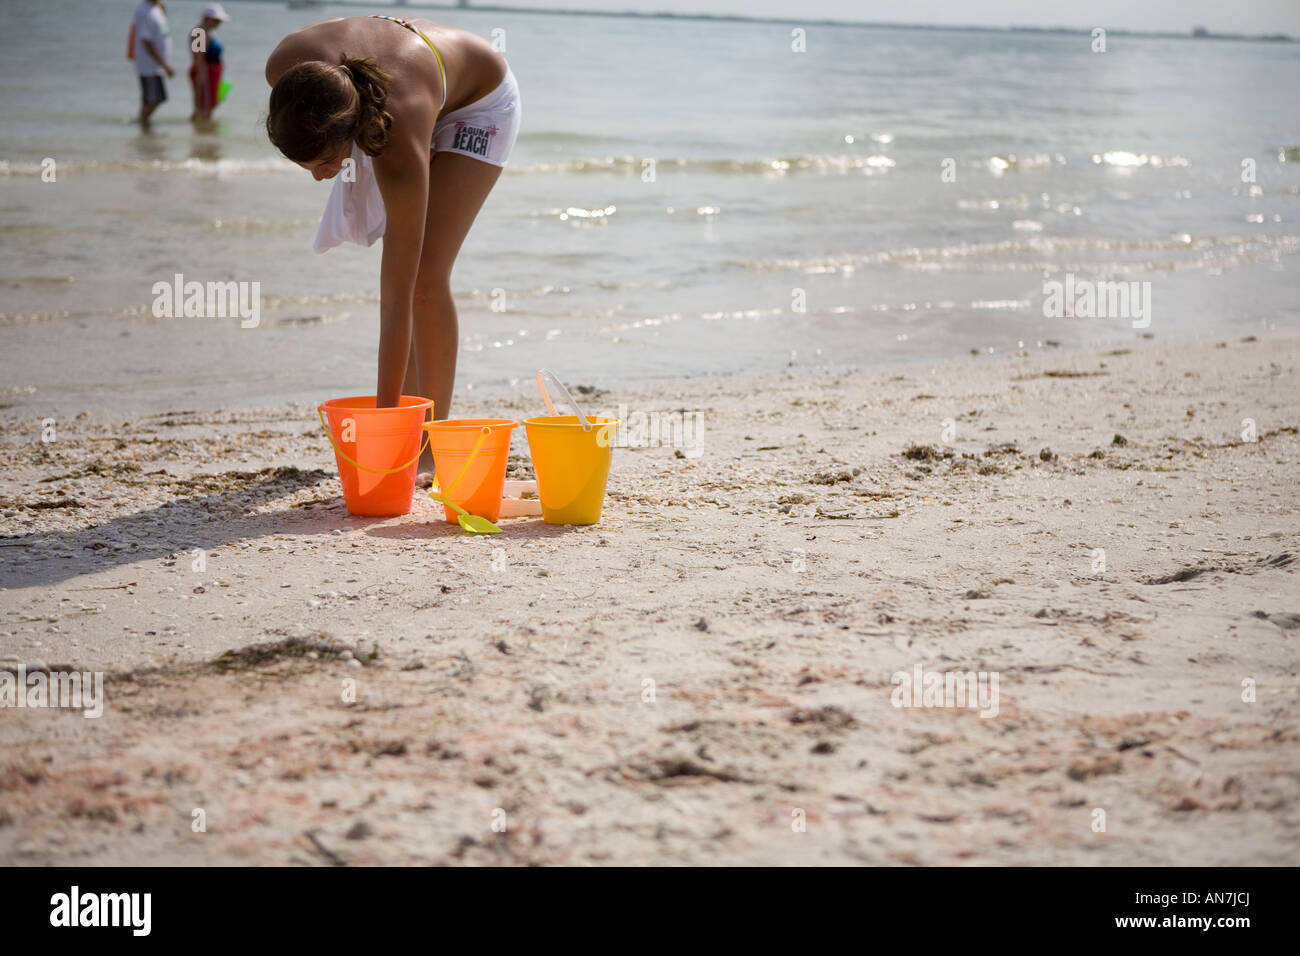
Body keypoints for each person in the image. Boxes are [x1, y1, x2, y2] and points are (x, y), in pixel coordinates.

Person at [265, 16, 520, 476]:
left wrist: (382, 428)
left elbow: (395, 298)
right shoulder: (284, 69)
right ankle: (411, 426)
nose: (320, 175)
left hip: (478, 103)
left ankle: (429, 444)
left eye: (325, 162)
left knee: (424, 278)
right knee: (414, 272)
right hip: (409, 89)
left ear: (354, 131)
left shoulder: (396, 139)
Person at [131, 0, 174, 126]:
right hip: (149, 65)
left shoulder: (156, 8)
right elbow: (146, 41)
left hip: (155, 65)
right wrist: (164, 64)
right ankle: (142, 125)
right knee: (154, 99)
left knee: (154, 99)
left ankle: (144, 125)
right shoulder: (145, 10)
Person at [189, 4, 230, 124]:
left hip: (210, 72)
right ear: (208, 18)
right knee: (204, 106)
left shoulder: (207, 32)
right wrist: (201, 75)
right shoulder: (199, 32)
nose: (219, 24)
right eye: (217, 20)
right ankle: (202, 132)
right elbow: (198, 56)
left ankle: (200, 129)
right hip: (205, 72)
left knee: (207, 104)